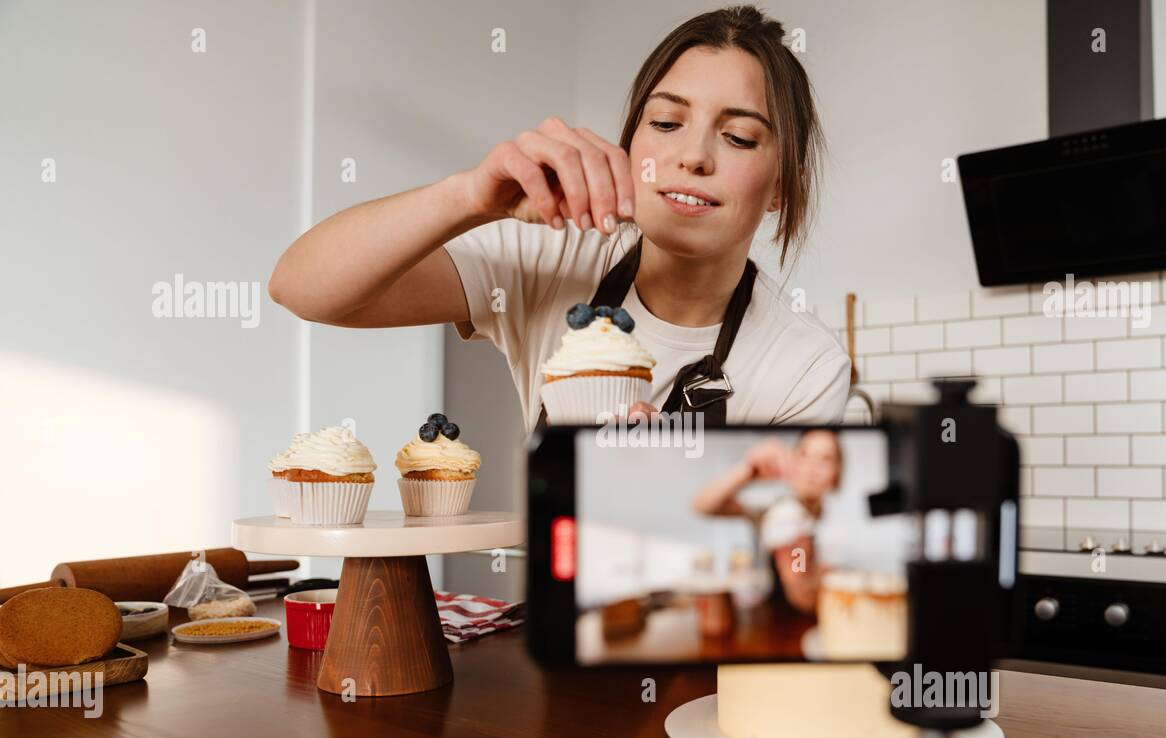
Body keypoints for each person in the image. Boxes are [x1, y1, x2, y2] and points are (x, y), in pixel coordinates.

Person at [269, 6, 849, 428]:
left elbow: (773, 572)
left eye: (739, 137)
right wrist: (470, 196)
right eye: (666, 124)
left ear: (780, 189)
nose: (692, 156)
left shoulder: (803, 367)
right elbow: (301, 288)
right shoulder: (555, 257)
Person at [692, 430, 842, 613]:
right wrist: (748, 470)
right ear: (792, 462)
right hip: (775, 625)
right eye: (804, 455)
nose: (812, 468)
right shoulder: (776, 512)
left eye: (825, 459)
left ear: (837, 472)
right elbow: (703, 505)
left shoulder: (839, 523)